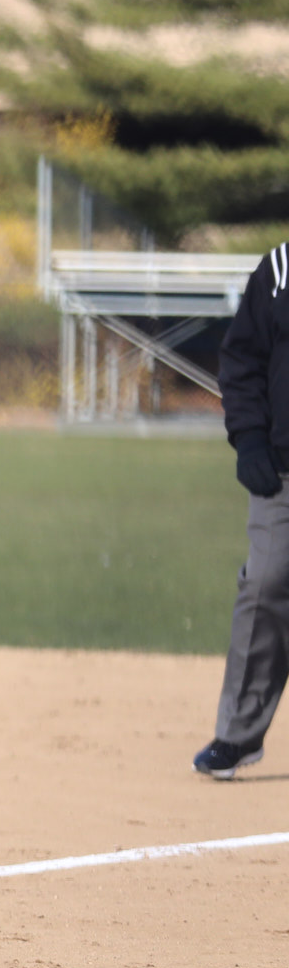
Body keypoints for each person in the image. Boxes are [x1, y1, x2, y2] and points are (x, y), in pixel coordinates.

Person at [202, 241, 289, 779]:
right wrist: (251, 438)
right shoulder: (280, 270)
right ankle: (237, 735)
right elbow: (242, 358)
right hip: (281, 471)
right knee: (265, 583)